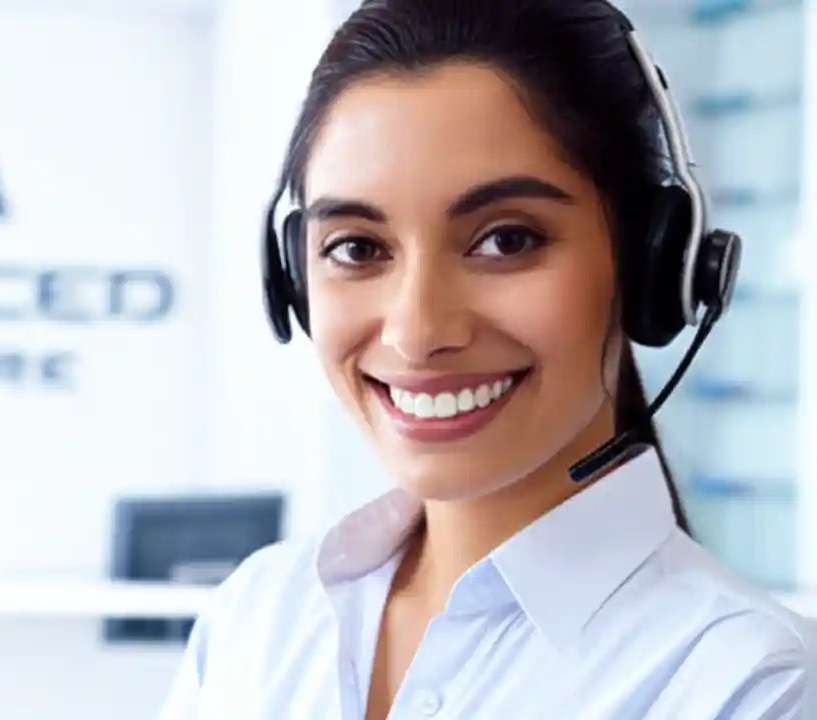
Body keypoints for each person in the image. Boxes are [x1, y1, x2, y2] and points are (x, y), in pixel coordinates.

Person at [160, 0, 815, 718]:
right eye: (357, 247)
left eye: (506, 240)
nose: (416, 332)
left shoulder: (752, 685)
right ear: (292, 275)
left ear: (650, 265)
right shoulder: (257, 619)